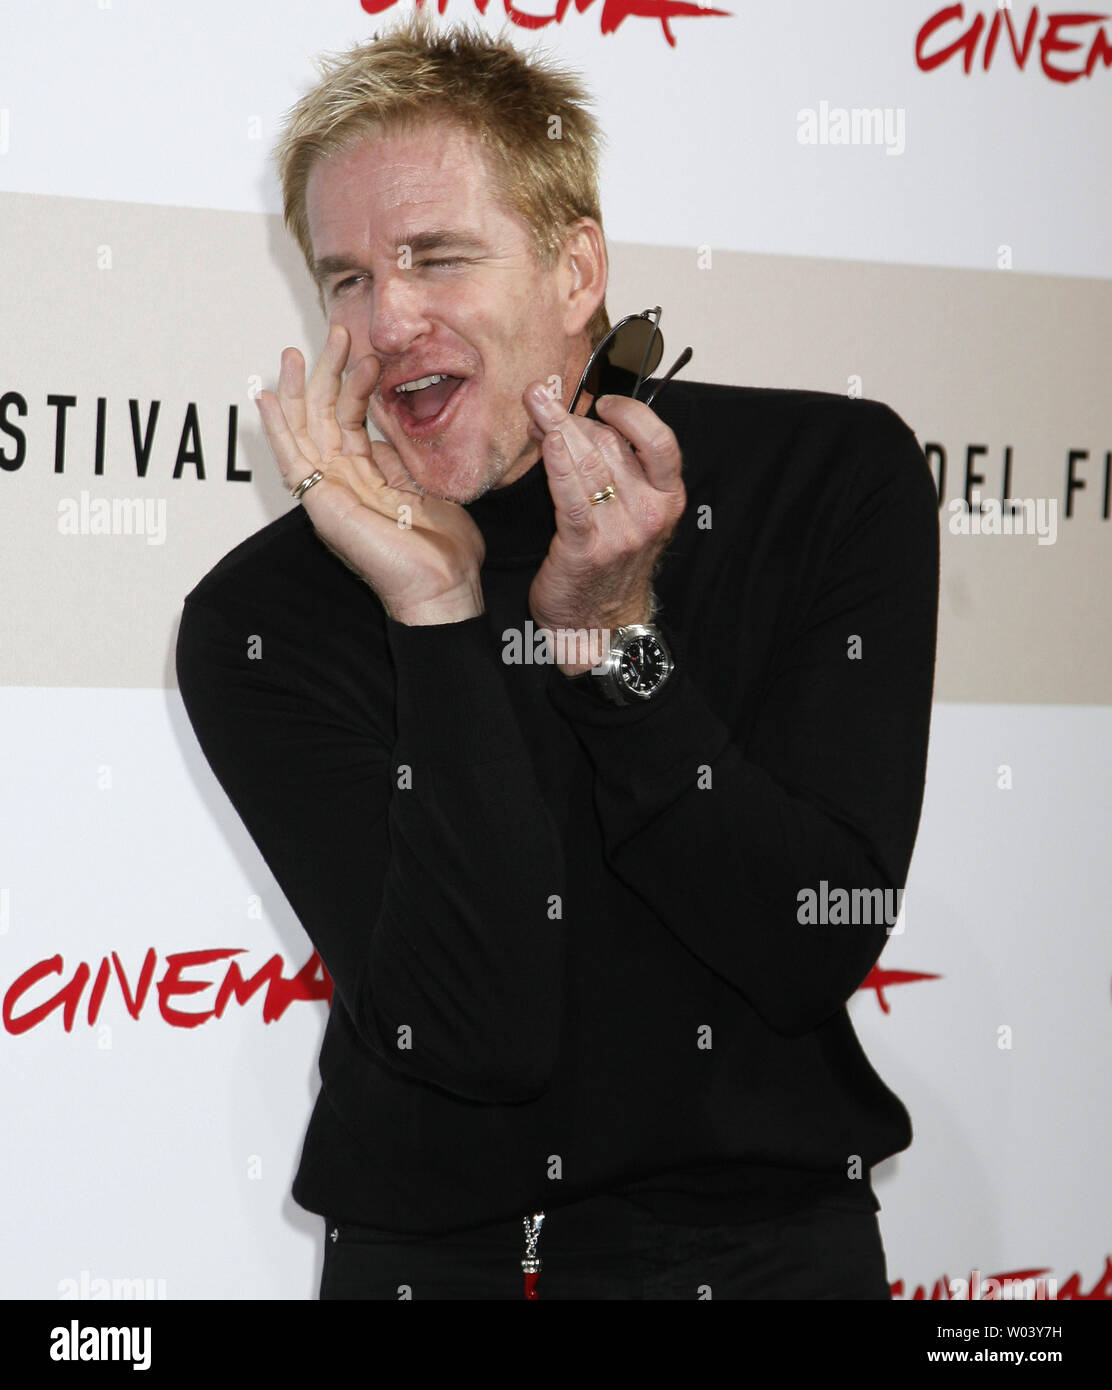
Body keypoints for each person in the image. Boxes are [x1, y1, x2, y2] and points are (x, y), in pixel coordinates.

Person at [175, 16, 939, 1300]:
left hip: (756, 1258)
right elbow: (471, 1034)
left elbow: (808, 941)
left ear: (575, 265)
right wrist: (438, 608)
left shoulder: (826, 481)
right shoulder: (269, 619)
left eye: (435, 257)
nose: (387, 318)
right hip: (441, 1264)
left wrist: (609, 644)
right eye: (346, 276)